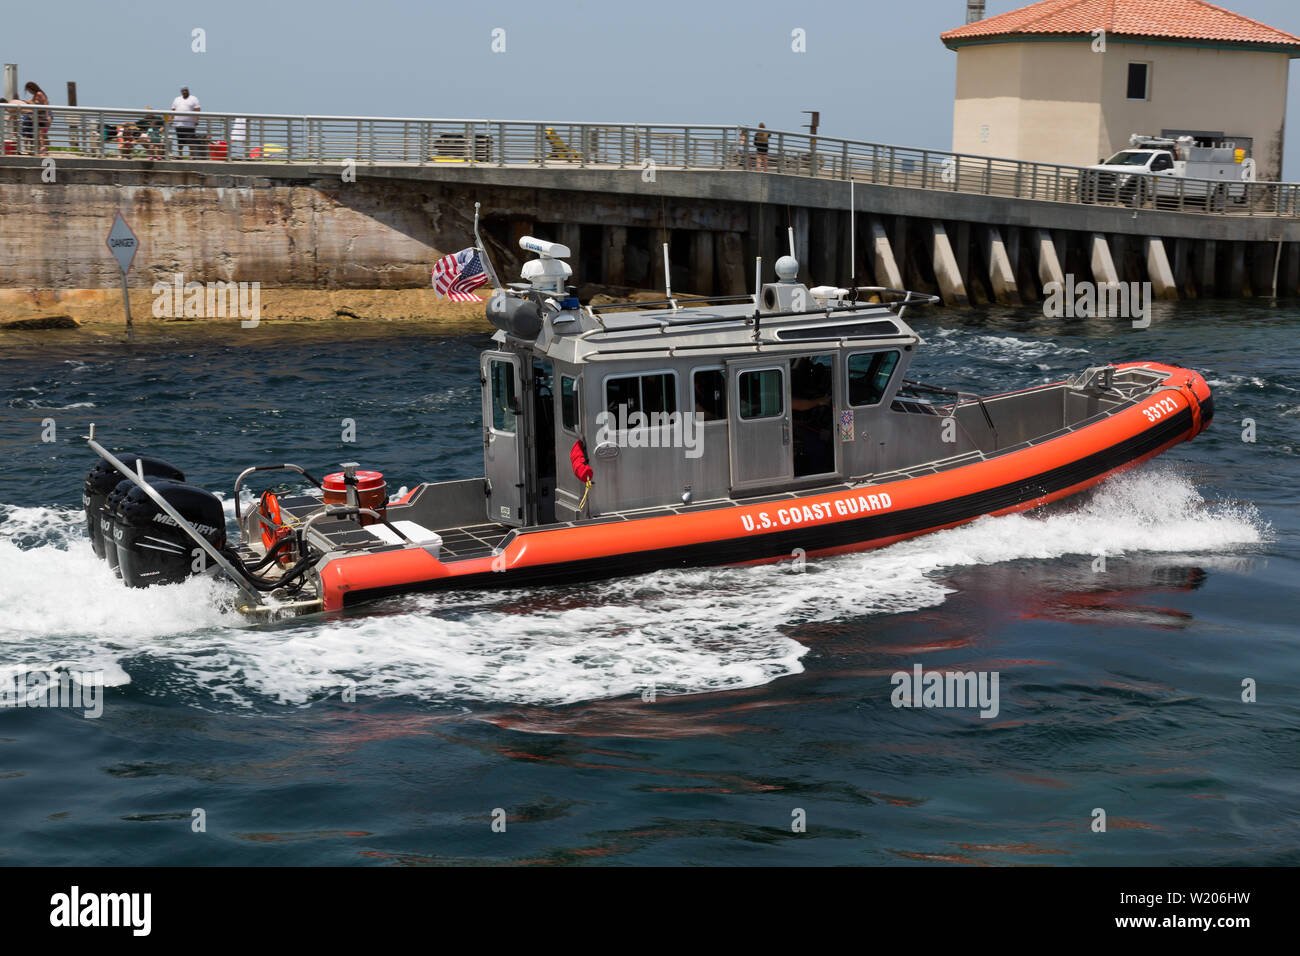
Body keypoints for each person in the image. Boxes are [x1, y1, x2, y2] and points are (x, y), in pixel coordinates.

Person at [170, 86, 201, 157]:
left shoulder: (193, 98)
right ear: (181, 92)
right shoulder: (177, 99)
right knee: (180, 140)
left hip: (190, 125)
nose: (184, 92)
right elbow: (173, 110)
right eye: (183, 91)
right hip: (178, 124)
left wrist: (196, 120)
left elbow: (197, 109)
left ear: (188, 91)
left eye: (186, 90)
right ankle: (180, 155)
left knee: (191, 141)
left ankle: (191, 156)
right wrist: (171, 120)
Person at [23, 83, 50, 155]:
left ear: (32, 88)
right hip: (40, 115)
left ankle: (44, 150)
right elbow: (30, 102)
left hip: (44, 115)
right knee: (40, 132)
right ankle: (43, 150)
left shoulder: (39, 93)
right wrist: (23, 101)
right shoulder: (34, 96)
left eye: (29, 90)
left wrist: (47, 116)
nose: (29, 92)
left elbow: (45, 103)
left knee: (42, 133)